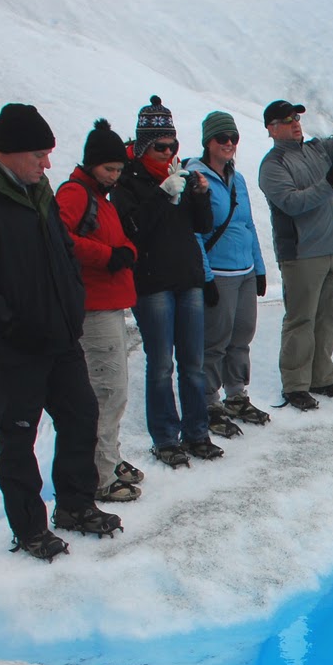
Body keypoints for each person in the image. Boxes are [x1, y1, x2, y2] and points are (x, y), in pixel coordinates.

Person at [0, 103, 122, 560]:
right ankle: (29, 528)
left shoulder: (38, 192)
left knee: (81, 416)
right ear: (10, 151)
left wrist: (72, 303)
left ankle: (75, 506)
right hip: (14, 347)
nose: (47, 164)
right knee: (19, 436)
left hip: (60, 337)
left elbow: (63, 253)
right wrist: (8, 323)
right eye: (39, 154)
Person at [112, 96, 219, 467]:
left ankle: (197, 432)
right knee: (161, 364)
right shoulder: (127, 182)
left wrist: (200, 195)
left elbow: (202, 226)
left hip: (187, 277)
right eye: (161, 146)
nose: (169, 152)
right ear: (144, 146)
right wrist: (161, 195)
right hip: (152, 282)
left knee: (193, 362)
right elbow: (132, 229)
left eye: (173, 145)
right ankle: (165, 437)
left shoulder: (181, 175)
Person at [56, 119, 144, 502]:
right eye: (109, 169)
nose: (114, 177)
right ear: (91, 163)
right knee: (107, 392)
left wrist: (125, 251)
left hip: (109, 303)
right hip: (93, 307)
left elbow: (119, 240)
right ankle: (100, 475)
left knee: (115, 390)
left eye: (119, 170)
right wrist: (108, 256)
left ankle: (109, 458)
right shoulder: (75, 194)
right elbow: (60, 238)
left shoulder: (100, 197)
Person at [257, 99, 333, 410]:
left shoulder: (316, 148)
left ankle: (322, 376)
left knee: (330, 315)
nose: (295, 123)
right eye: (287, 119)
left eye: (296, 117)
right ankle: (295, 384)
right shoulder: (272, 165)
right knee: (301, 319)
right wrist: (329, 184)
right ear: (271, 129)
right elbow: (292, 203)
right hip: (301, 253)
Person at [188, 110, 272, 434]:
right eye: (222, 138)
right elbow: (195, 232)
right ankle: (209, 401)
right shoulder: (195, 178)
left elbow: (247, 225)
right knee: (215, 339)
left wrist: (259, 269)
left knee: (242, 334)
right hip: (219, 272)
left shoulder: (237, 179)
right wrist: (206, 276)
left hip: (245, 270)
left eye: (233, 138)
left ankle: (236, 395)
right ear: (208, 141)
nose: (229, 143)